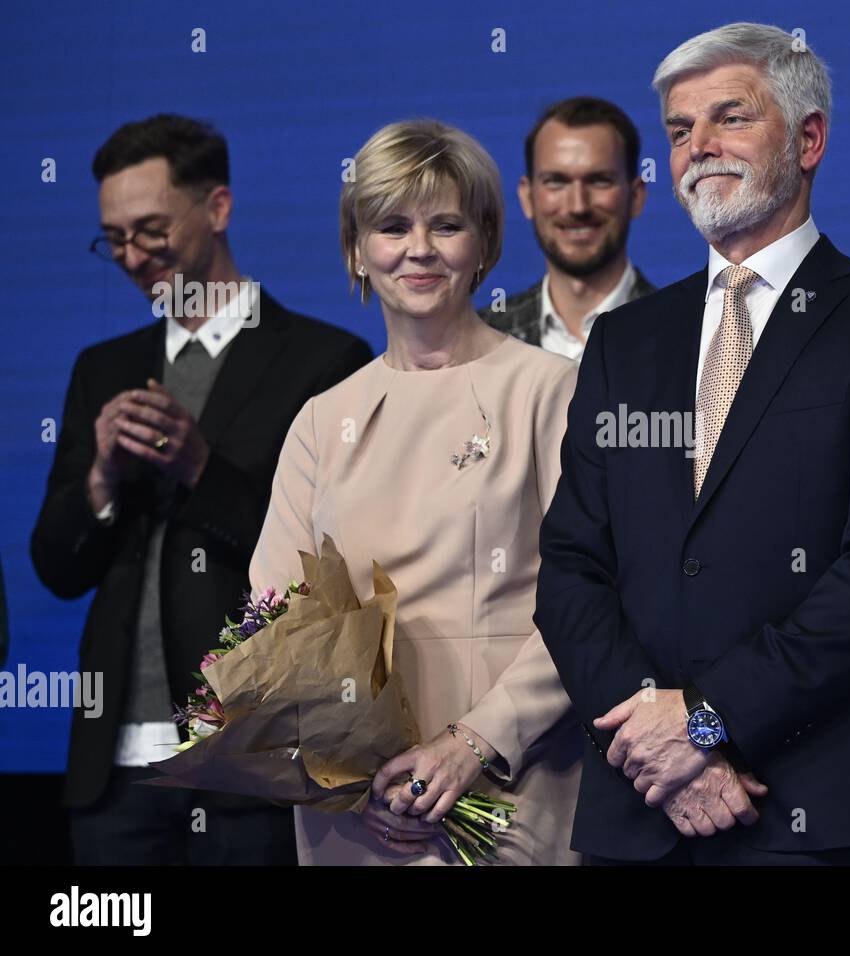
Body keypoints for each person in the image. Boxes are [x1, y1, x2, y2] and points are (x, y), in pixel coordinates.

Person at [535, 22, 850, 865]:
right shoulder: (626, 342)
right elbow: (571, 567)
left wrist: (705, 721)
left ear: (810, 139)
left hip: (815, 814)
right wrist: (657, 749)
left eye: (729, 118)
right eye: (677, 130)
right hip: (641, 816)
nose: (698, 147)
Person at [30, 113, 373, 865]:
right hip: (113, 770)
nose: (132, 255)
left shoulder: (321, 360)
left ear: (217, 208)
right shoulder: (102, 368)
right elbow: (56, 570)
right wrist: (98, 481)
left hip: (248, 761)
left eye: (150, 229)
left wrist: (199, 470)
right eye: (114, 239)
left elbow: (331, 572)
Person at [248, 118, 583, 865]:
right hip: (356, 809)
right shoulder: (320, 418)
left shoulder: (549, 392)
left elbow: (588, 600)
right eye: (392, 226)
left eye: (447, 225)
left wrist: (476, 741)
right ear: (356, 250)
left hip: (509, 784)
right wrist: (351, 771)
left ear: (485, 245)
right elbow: (276, 615)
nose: (419, 249)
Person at [480, 97, 654, 359]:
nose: (577, 206)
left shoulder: (691, 334)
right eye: (556, 182)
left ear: (636, 196)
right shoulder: (481, 340)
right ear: (527, 198)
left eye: (599, 181)